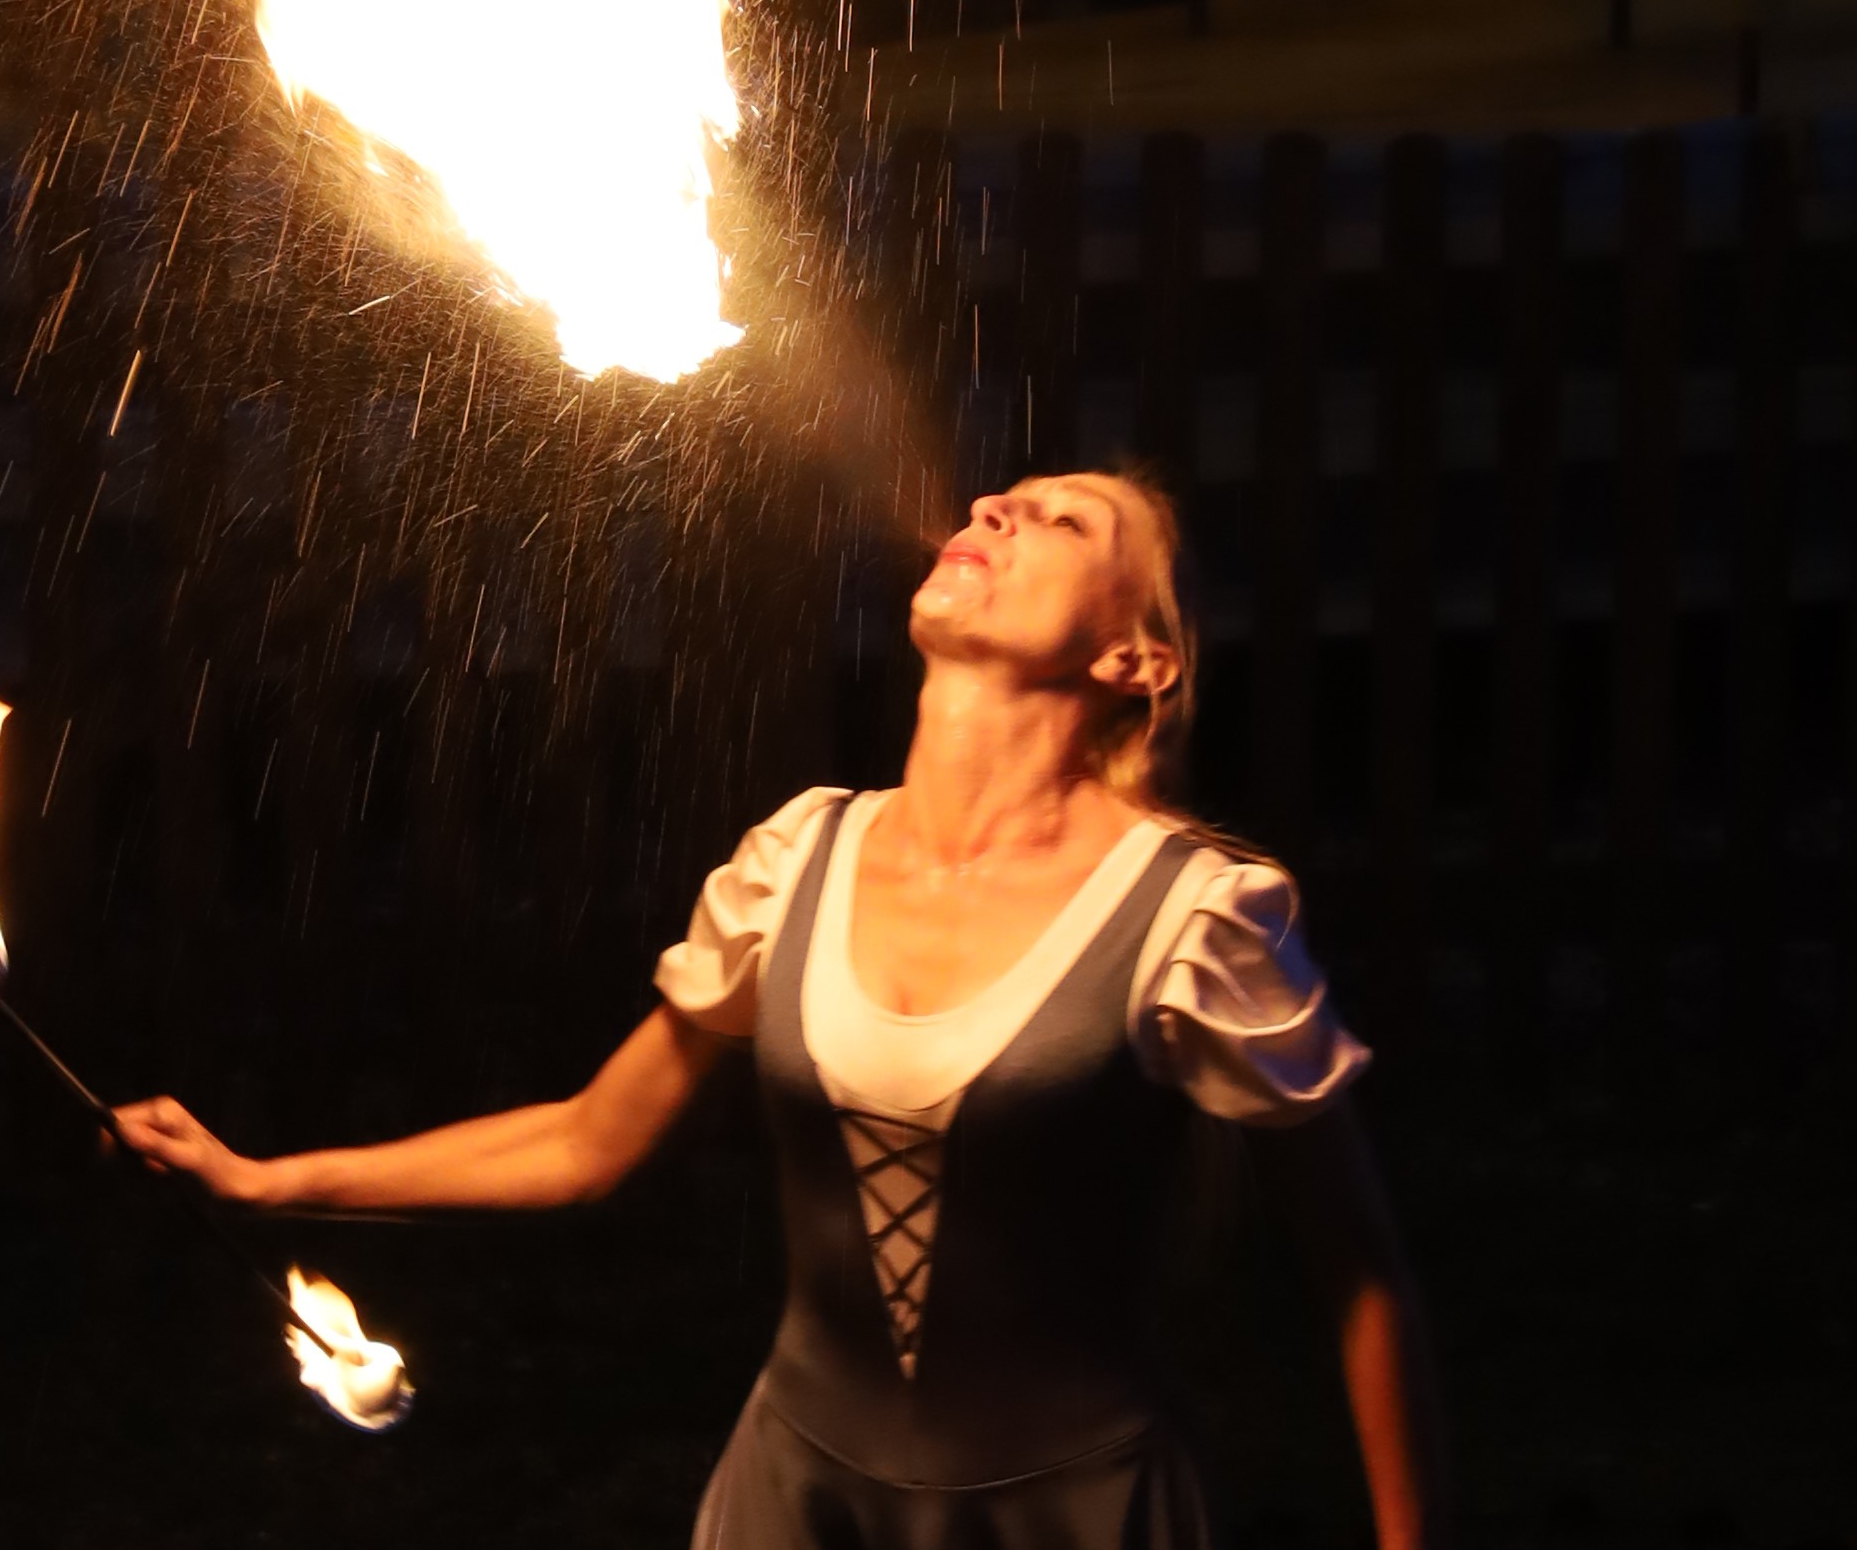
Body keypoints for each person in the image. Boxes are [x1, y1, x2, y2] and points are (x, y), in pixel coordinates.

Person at [112, 470, 1446, 1548]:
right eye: (1001, 500)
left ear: (1135, 659)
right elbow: (589, 1140)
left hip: (1073, 1518)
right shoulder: (797, 860)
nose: (994, 511)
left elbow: (1360, 1269)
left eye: (1063, 520)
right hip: (797, 1507)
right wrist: (265, 1183)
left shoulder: (1196, 917)